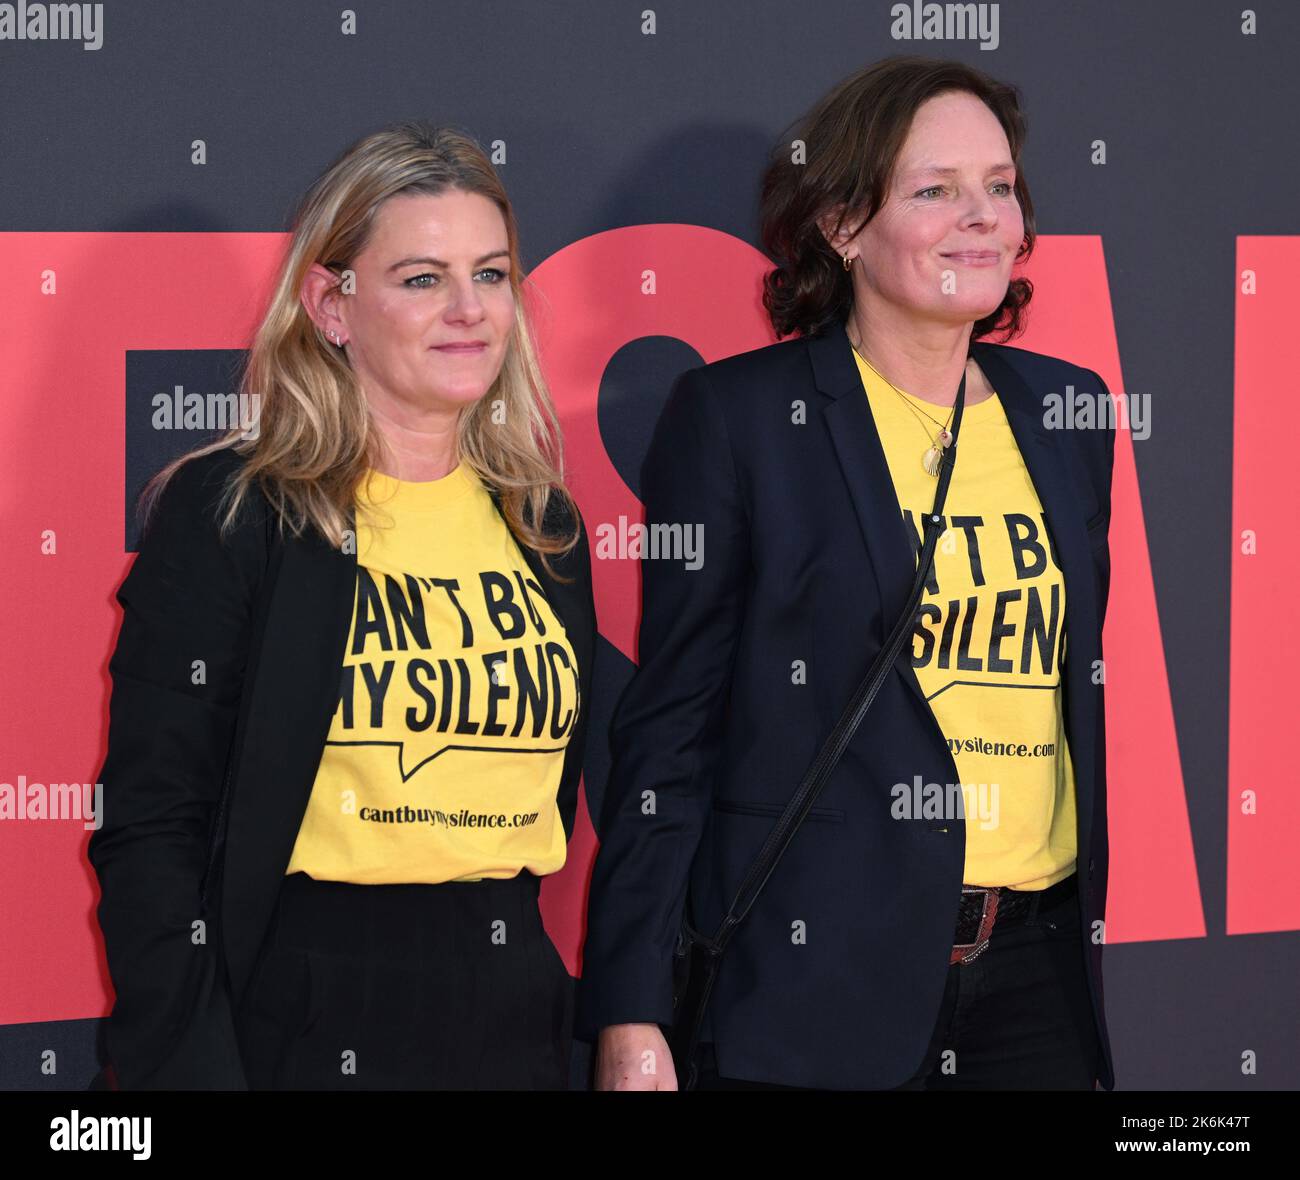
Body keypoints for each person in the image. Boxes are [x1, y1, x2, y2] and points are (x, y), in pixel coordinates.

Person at [577, 56, 1117, 1091]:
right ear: (839, 225)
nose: (981, 218)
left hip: (1035, 976)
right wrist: (632, 1007)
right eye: (933, 189)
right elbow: (670, 730)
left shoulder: (1067, 415)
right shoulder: (741, 419)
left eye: (998, 186)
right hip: (816, 975)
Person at [87, 122, 595, 1090]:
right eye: (420, 278)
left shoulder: (542, 521)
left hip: (511, 992)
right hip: (307, 1000)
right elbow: (154, 820)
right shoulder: (238, 508)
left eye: (490, 275)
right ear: (330, 304)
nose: (467, 310)